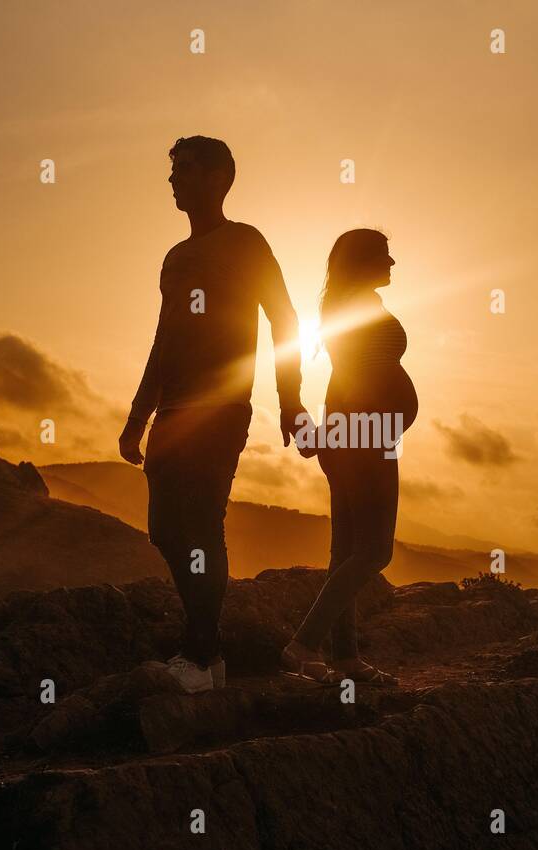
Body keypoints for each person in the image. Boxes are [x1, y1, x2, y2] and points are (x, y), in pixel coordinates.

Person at [119, 136, 306, 693]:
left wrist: (290, 401)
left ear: (219, 178)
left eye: (184, 169)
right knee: (163, 532)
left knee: (201, 526)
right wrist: (137, 417)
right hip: (172, 411)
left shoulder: (246, 242)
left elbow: (285, 318)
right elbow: (163, 339)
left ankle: (200, 656)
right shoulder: (174, 259)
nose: (173, 179)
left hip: (222, 407)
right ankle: (209, 651)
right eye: (172, 169)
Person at [281, 229, 417, 686]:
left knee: (345, 552)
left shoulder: (353, 305)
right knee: (375, 551)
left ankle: (345, 658)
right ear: (361, 261)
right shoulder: (356, 309)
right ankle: (304, 644)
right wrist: (347, 433)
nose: (393, 262)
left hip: (355, 434)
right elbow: (356, 381)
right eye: (383, 255)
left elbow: (349, 379)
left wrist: (330, 432)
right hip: (366, 437)